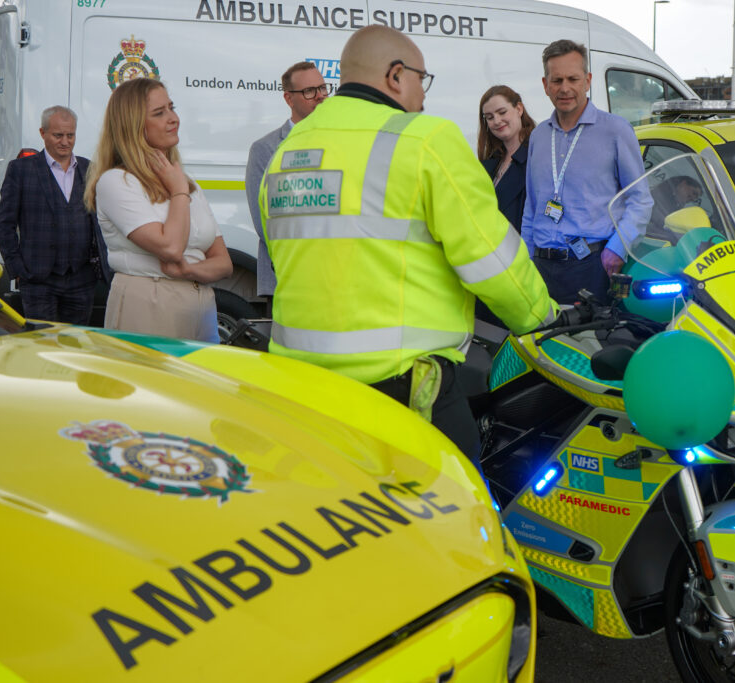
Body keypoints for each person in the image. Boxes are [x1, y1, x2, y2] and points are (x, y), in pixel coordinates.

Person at [259, 25, 558, 461]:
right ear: (396, 75)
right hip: (405, 389)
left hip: (305, 389)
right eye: (422, 79)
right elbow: (490, 258)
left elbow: (288, 254)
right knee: (463, 500)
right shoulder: (424, 140)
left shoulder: (286, 152)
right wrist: (543, 318)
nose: (423, 95)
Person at [84, 77, 232, 342]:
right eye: (159, 112)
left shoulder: (185, 182)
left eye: (172, 108)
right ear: (133, 126)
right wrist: (178, 192)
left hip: (201, 305)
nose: (173, 118)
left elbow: (224, 263)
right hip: (148, 302)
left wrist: (189, 271)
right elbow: (171, 248)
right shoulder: (117, 181)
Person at [521, 39, 652, 305]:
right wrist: (526, 259)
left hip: (592, 267)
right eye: (557, 80)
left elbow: (641, 199)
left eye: (573, 79)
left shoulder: (616, 131)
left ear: (588, 80)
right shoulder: (539, 136)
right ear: (545, 85)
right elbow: (531, 207)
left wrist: (617, 248)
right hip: (542, 268)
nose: (565, 88)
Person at [0, 106, 108, 323]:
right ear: (42, 133)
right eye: (58, 135)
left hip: (81, 280)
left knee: (75, 340)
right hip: (37, 279)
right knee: (41, 339)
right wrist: (16, 268)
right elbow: (4, 223)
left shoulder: (89, 169)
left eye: (70, 135)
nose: (65, 141)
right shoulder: (20, 170)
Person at [245, 62, 330, 299]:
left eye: (323, 88)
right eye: (309, 91)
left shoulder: (340, 141)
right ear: (289, 99)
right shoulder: (265, 148)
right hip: (286, 279)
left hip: (334, 277)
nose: (320, 96)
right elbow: (265, 223)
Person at [478, 85, 536, 232]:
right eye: (490, 117)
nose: (497, 121)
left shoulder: (537, 156)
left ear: (519, 109)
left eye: (502, 112)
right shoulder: (490, 163)